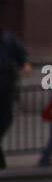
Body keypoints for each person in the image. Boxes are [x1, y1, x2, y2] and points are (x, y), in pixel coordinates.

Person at [0, 10, 30, 169]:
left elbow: (22, 56)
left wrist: (25, 65)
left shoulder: (8, 40)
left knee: (6, 120)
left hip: (5, 91)